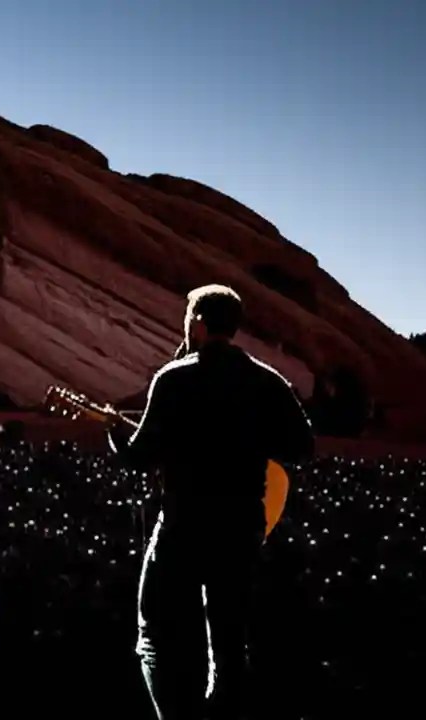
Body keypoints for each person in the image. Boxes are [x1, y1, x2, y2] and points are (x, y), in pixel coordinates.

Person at [107, 284, 314, 720]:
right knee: (229, 638)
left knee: (155, 633)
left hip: (184, 526)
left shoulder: (174, 378)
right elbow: (302, 446)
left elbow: (139, 456)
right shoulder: (266, 380)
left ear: (197, 323)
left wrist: (113, 430)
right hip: (241, 527)